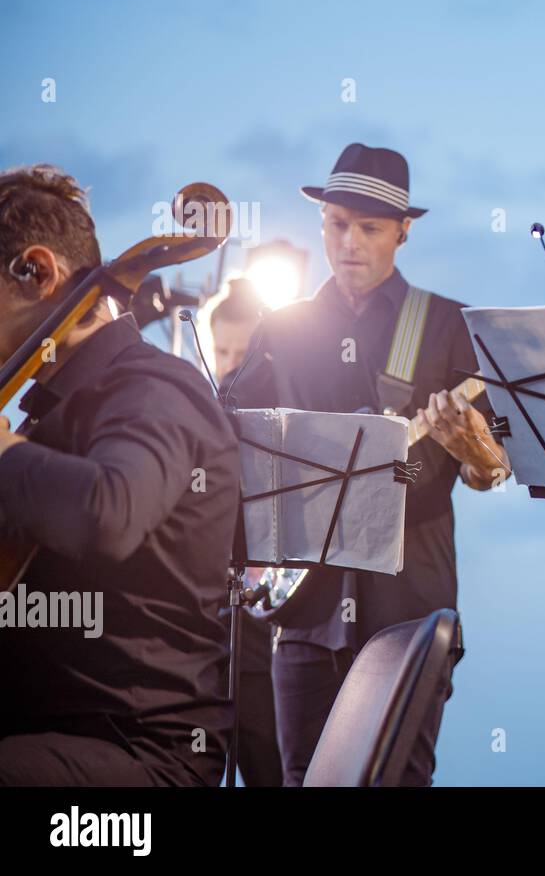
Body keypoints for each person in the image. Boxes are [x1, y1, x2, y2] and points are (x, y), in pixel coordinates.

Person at [227, 143, 508, 786]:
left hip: (406, 604)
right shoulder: (281, 328)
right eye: (336, 224)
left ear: (405, 231)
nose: (349, 241)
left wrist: (474, 452)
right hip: (301, 610)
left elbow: (493, 468)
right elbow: (234, 452)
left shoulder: (446, 324)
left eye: (370, 228)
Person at [0, 164, 237, 785]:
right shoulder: (46, 419)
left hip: (145, 765)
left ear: (38, 272)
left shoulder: (153, 387)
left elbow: (109, 513)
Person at [202, 277, 283, 786]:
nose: (230, 365)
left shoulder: (282, 425)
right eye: (222, 351)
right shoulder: (199, 416)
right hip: (214, 636)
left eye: (243, 354)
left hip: (267, 631)